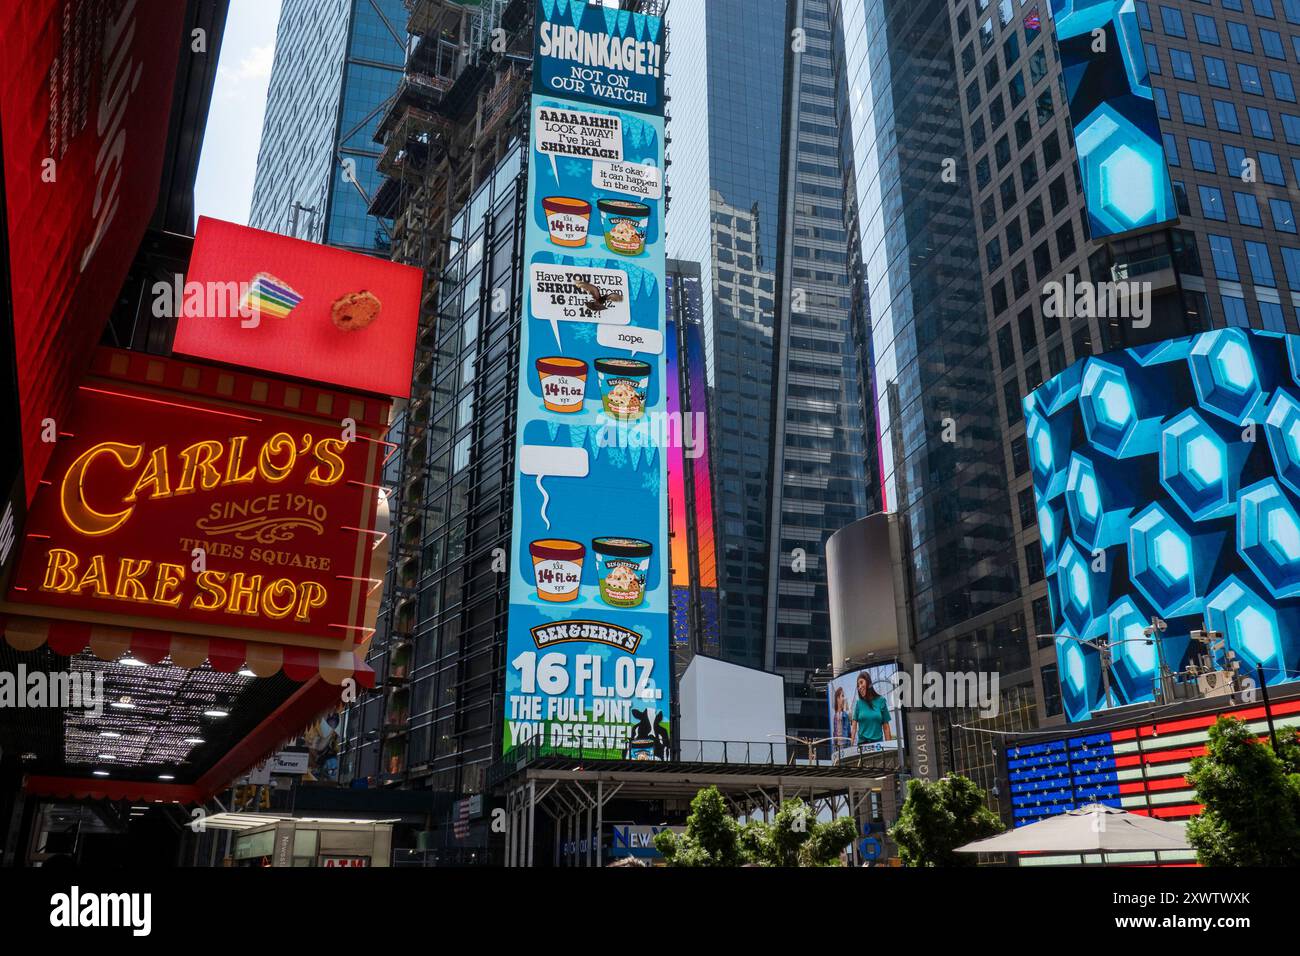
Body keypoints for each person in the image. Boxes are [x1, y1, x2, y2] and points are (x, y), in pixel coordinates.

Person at [851, 671, 892, 745]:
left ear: (868, 682)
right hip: (862, 746)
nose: (859, 687)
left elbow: (886, 728)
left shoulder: (881, 701)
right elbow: (854, 728)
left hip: (879, 746)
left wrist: (889, 747)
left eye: (861, 682)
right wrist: (851, 746)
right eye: (858, 685)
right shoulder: (858, 703)